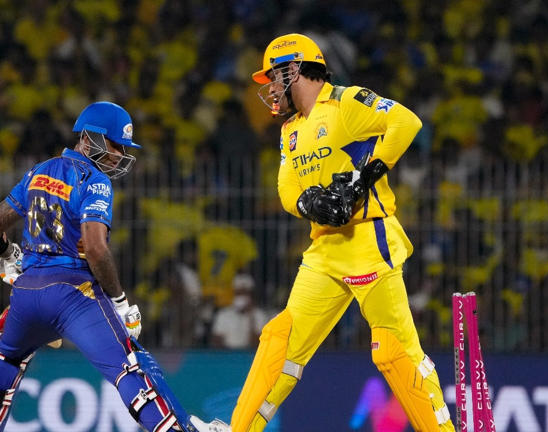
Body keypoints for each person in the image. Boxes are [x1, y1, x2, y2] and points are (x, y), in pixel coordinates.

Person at [191, 34, 454, 432]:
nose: (272, 90)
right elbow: (286, 188)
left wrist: (365, 178)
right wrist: (307, 205)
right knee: (281, 339)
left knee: (394, 351)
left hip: (369, 239)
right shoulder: (290, 129)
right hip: (326, 249)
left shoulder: (347, 102)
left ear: (293, 69)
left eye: (275, 79)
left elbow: (406, 121)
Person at [0, 101, 207, 432]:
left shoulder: (39, 171)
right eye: (116, 144)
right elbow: (95, 248)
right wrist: (119, 301)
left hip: (27, 293)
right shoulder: (95, 180)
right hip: (73, 294)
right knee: (130, 367)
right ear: (89, 138)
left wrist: (6, 254)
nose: (119, 154)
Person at [210, 274, 266, 349]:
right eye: (238, 293)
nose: (241, 297)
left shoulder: (259, 315)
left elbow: (257, 345)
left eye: (245, 293)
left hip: (250, 357)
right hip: (228, 356)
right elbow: (216, 343)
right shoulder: (223, 314)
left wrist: (250, 316)